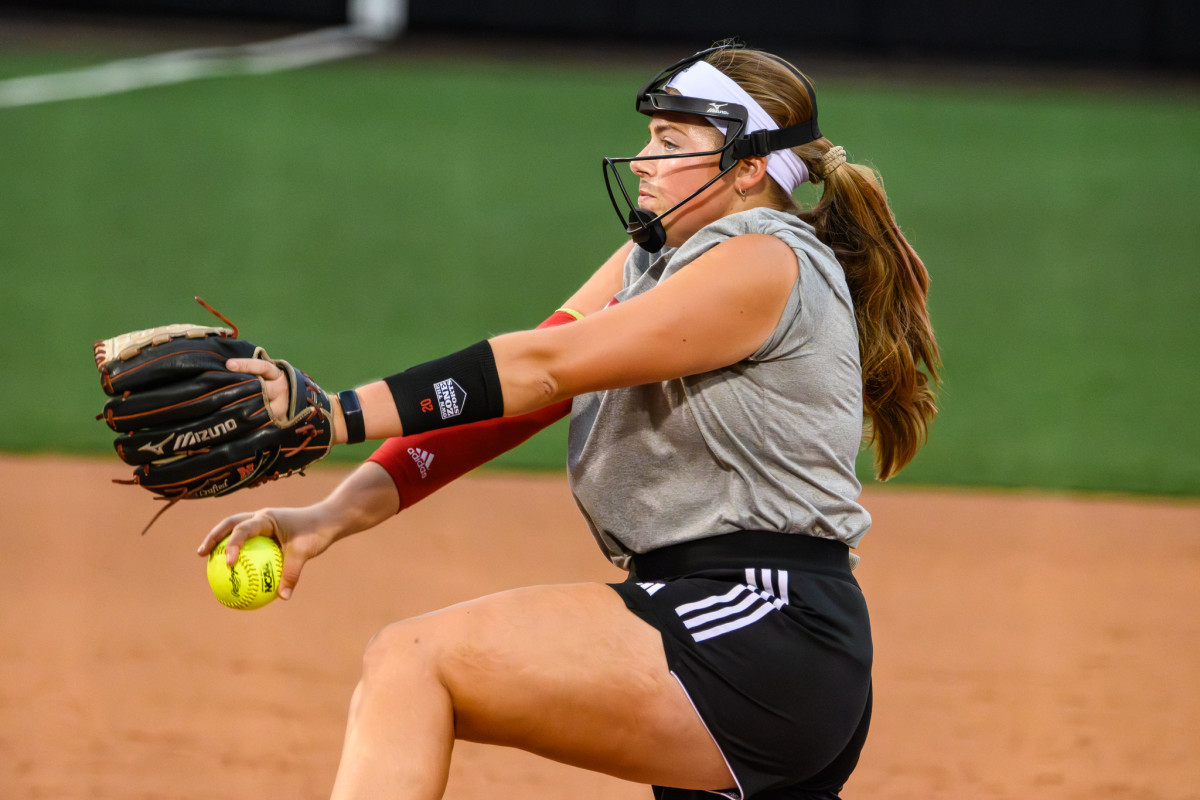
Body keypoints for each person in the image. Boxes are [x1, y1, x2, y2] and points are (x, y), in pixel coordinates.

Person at [197, 41, 939, 800]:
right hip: (736, 627)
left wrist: (333, 414)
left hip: (755, 624)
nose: (643, 160)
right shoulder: (659, 258)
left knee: (412, 659)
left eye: (671, 141)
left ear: (748, 167)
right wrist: (329, 517)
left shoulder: (761, 261)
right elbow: (521, 396)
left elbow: (539, 366)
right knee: (415, 659)